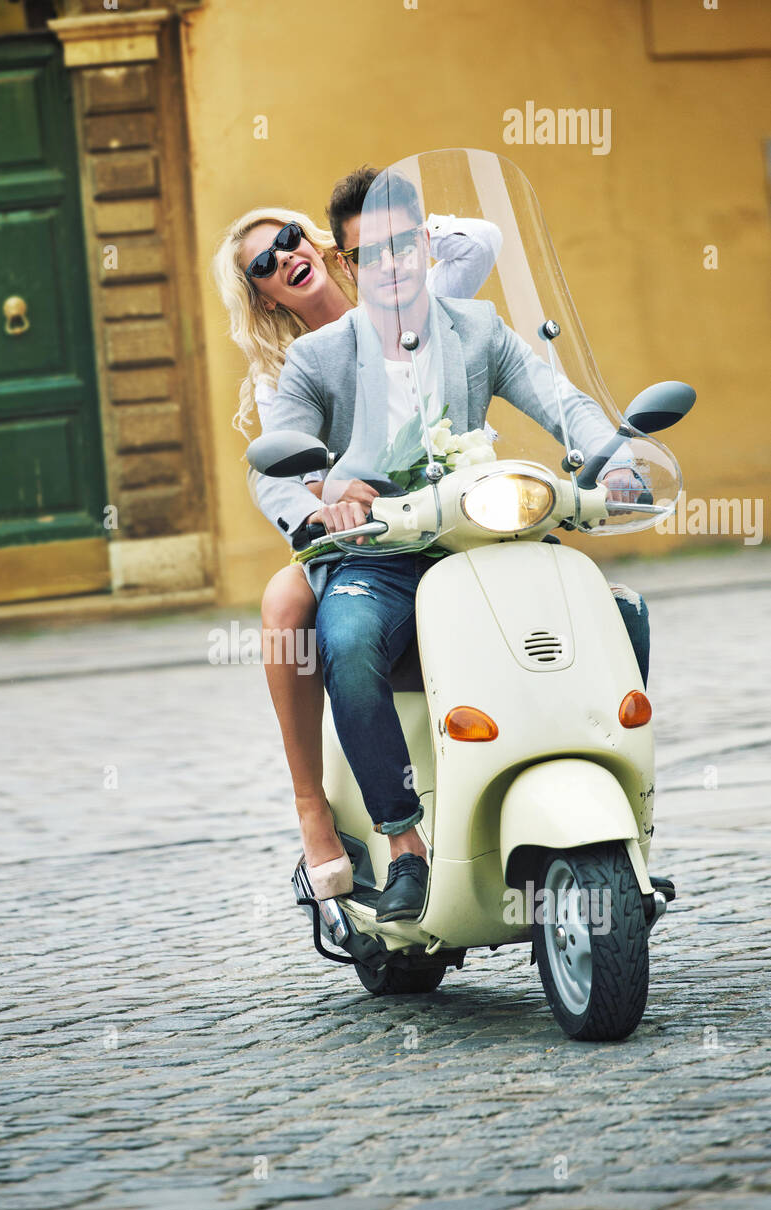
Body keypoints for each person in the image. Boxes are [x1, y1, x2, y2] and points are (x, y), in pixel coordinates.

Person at [254, 167, 650, 923]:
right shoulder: (317, 359)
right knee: (347, 638)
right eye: (370, 252)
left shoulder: (478, 329)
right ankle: (403, 846)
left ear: (423, 242)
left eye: (404, 244)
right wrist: (321, 501)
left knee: (619, 612)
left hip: (479, 541)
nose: (392, 263)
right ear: (345, 263)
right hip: (376, 555)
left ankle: (616, 816)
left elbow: (560, 401)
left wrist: (618, 460)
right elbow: (275, 465)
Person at [212, 170, 502, 899]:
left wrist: (398, 233)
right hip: (357, 532)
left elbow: (484, 243)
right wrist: (329, 493)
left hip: (454, 513)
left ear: (316, 241)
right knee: (285, 611)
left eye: (287, 239)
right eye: (262, 265)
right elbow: (283, 468)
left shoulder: (414, 290)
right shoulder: (282, 370)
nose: (282, 258)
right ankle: (313, 804)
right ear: (262, 294)